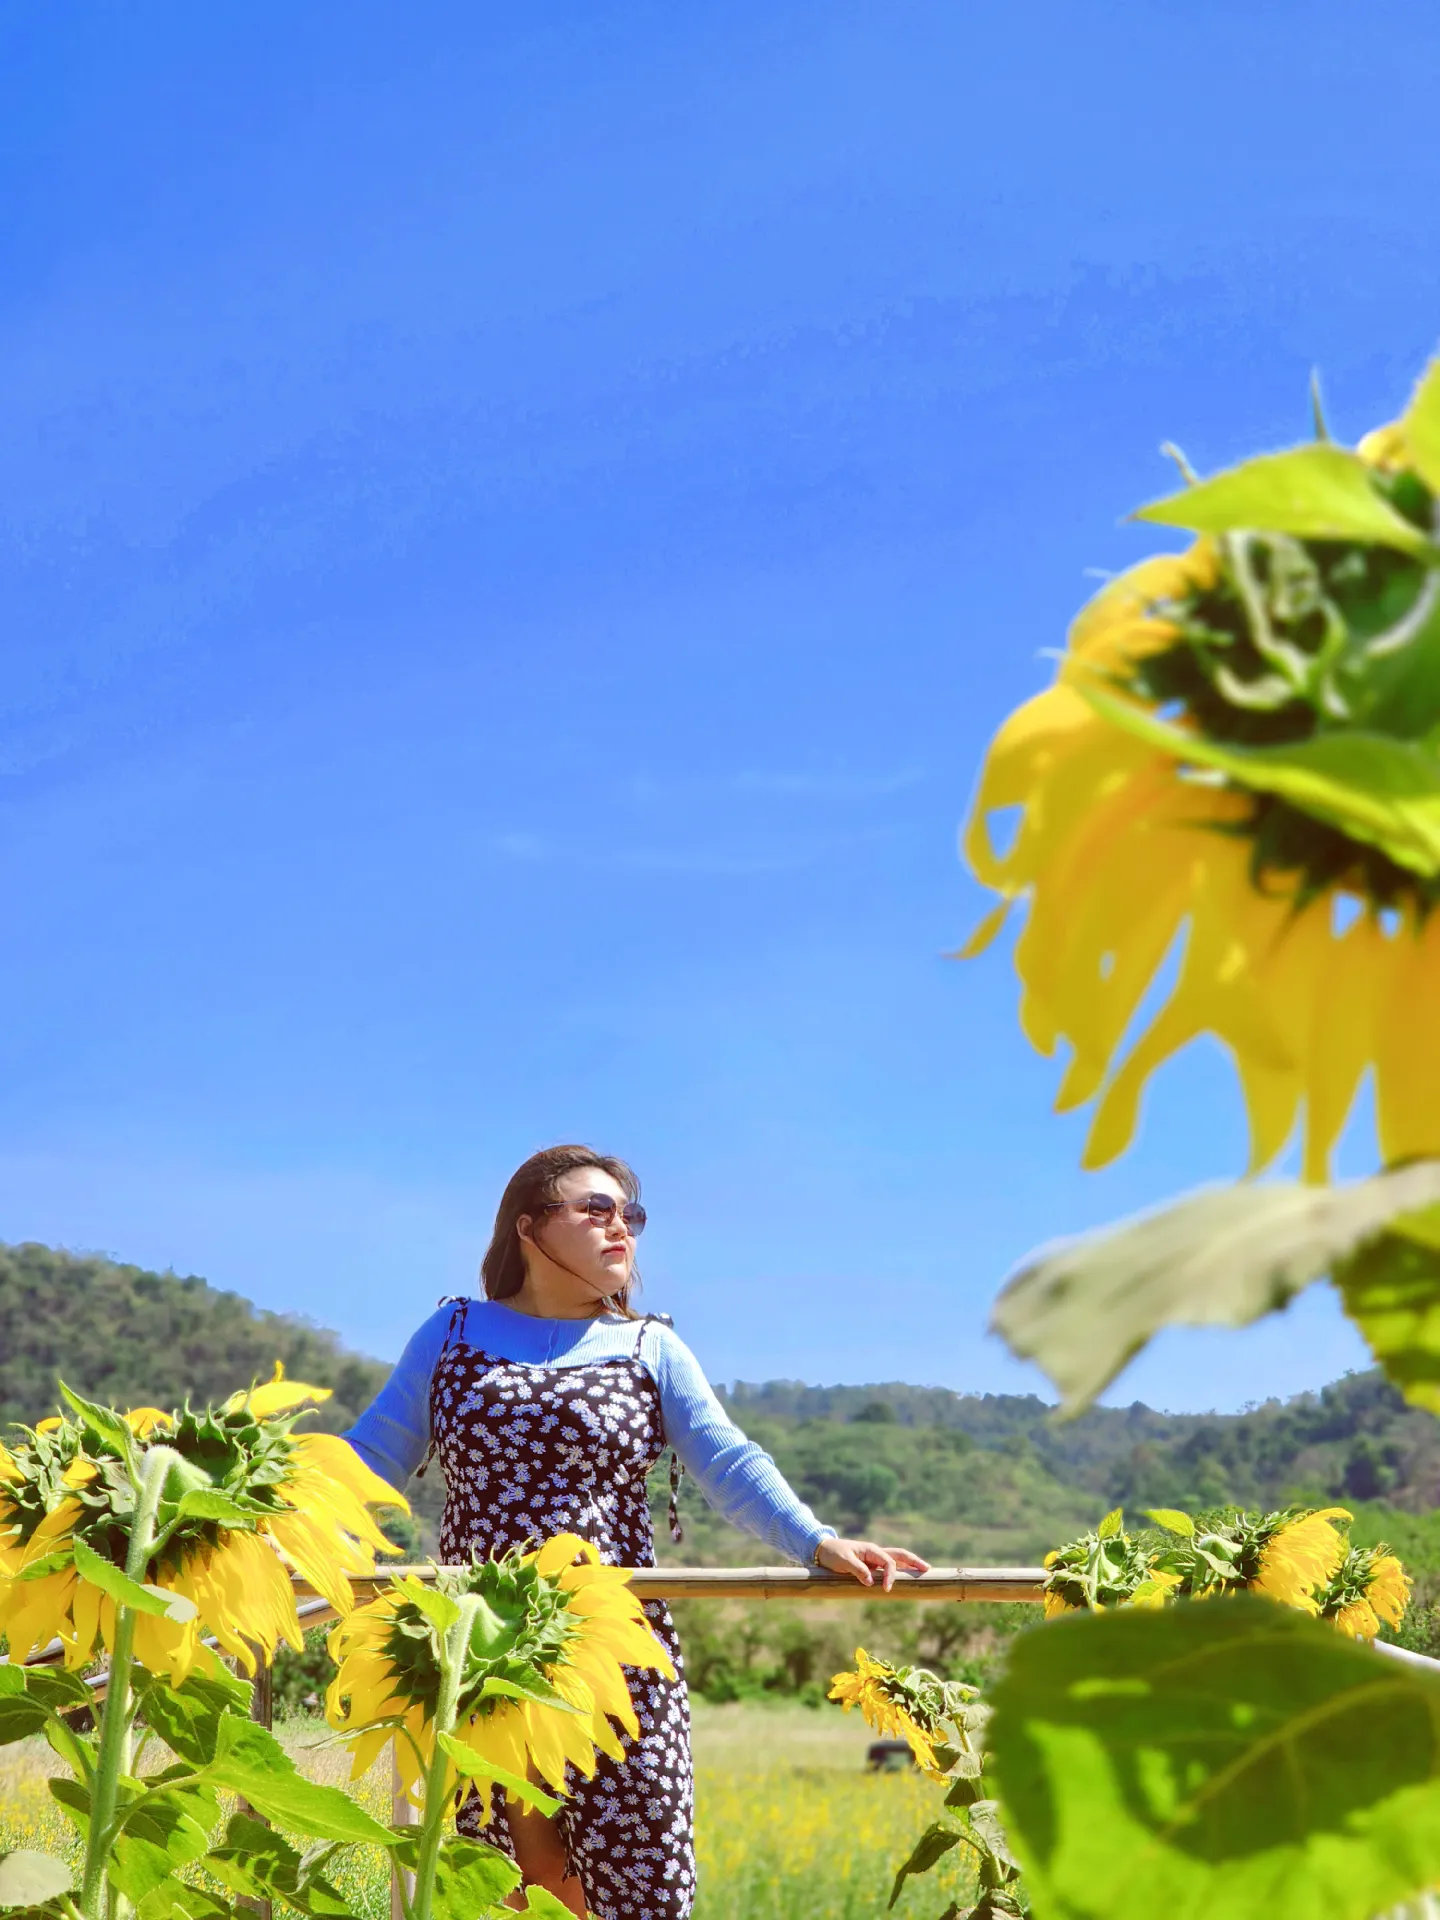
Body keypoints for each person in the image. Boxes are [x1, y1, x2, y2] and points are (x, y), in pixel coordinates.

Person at [344, 1142, 928, 1920]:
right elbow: (371, 1457)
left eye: (632, 1216)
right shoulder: (450, 1336)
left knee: (632, 1884)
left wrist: (817, 1541)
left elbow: (726, 1457)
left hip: (615, 1653)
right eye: (597, 1210)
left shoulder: (650, 1345)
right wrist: (283, 1535)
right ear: (528, 1226)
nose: (623, 1229)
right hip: (478, 1653)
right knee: (502, 1882)